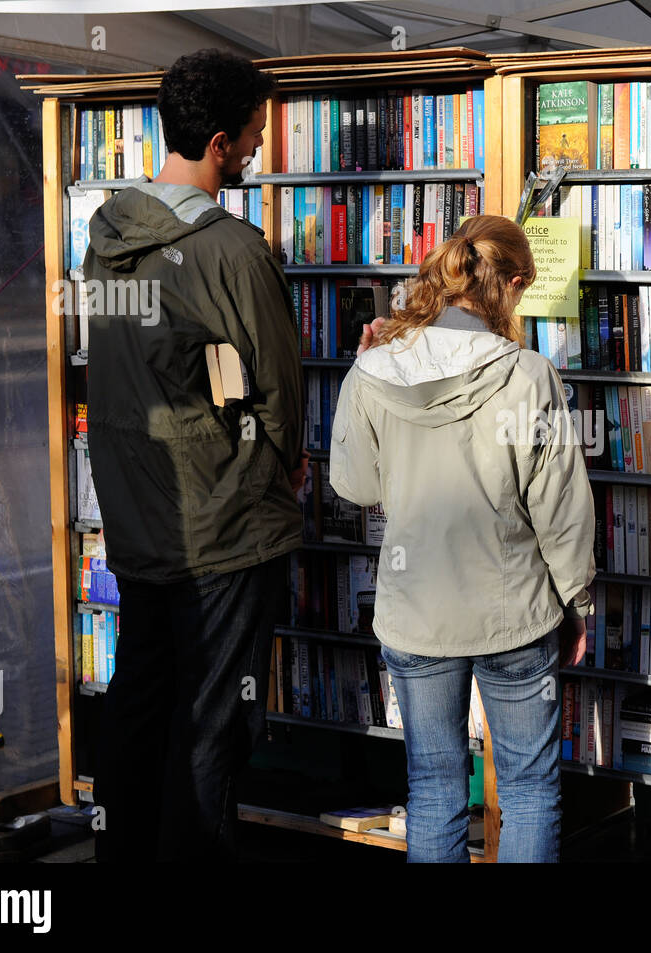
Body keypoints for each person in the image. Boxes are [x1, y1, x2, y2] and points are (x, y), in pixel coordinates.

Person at [84, 49, 306, 861]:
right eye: (250, 137)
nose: (254, 151)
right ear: (217, 141)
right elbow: (282, 395)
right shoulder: (231, 251)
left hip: (140, 519)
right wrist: (284, 465)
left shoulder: (104, 236)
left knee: (140, 699)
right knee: (214, 721)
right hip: (221, 523)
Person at [327, 214, 596, 863]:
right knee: (529, 788)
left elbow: (354, 484)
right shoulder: (529, 374)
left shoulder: (375, 370)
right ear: (509, 282)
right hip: (514, 613)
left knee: (433, 785)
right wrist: (577, 604)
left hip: (416, 614)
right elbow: (562, 512)